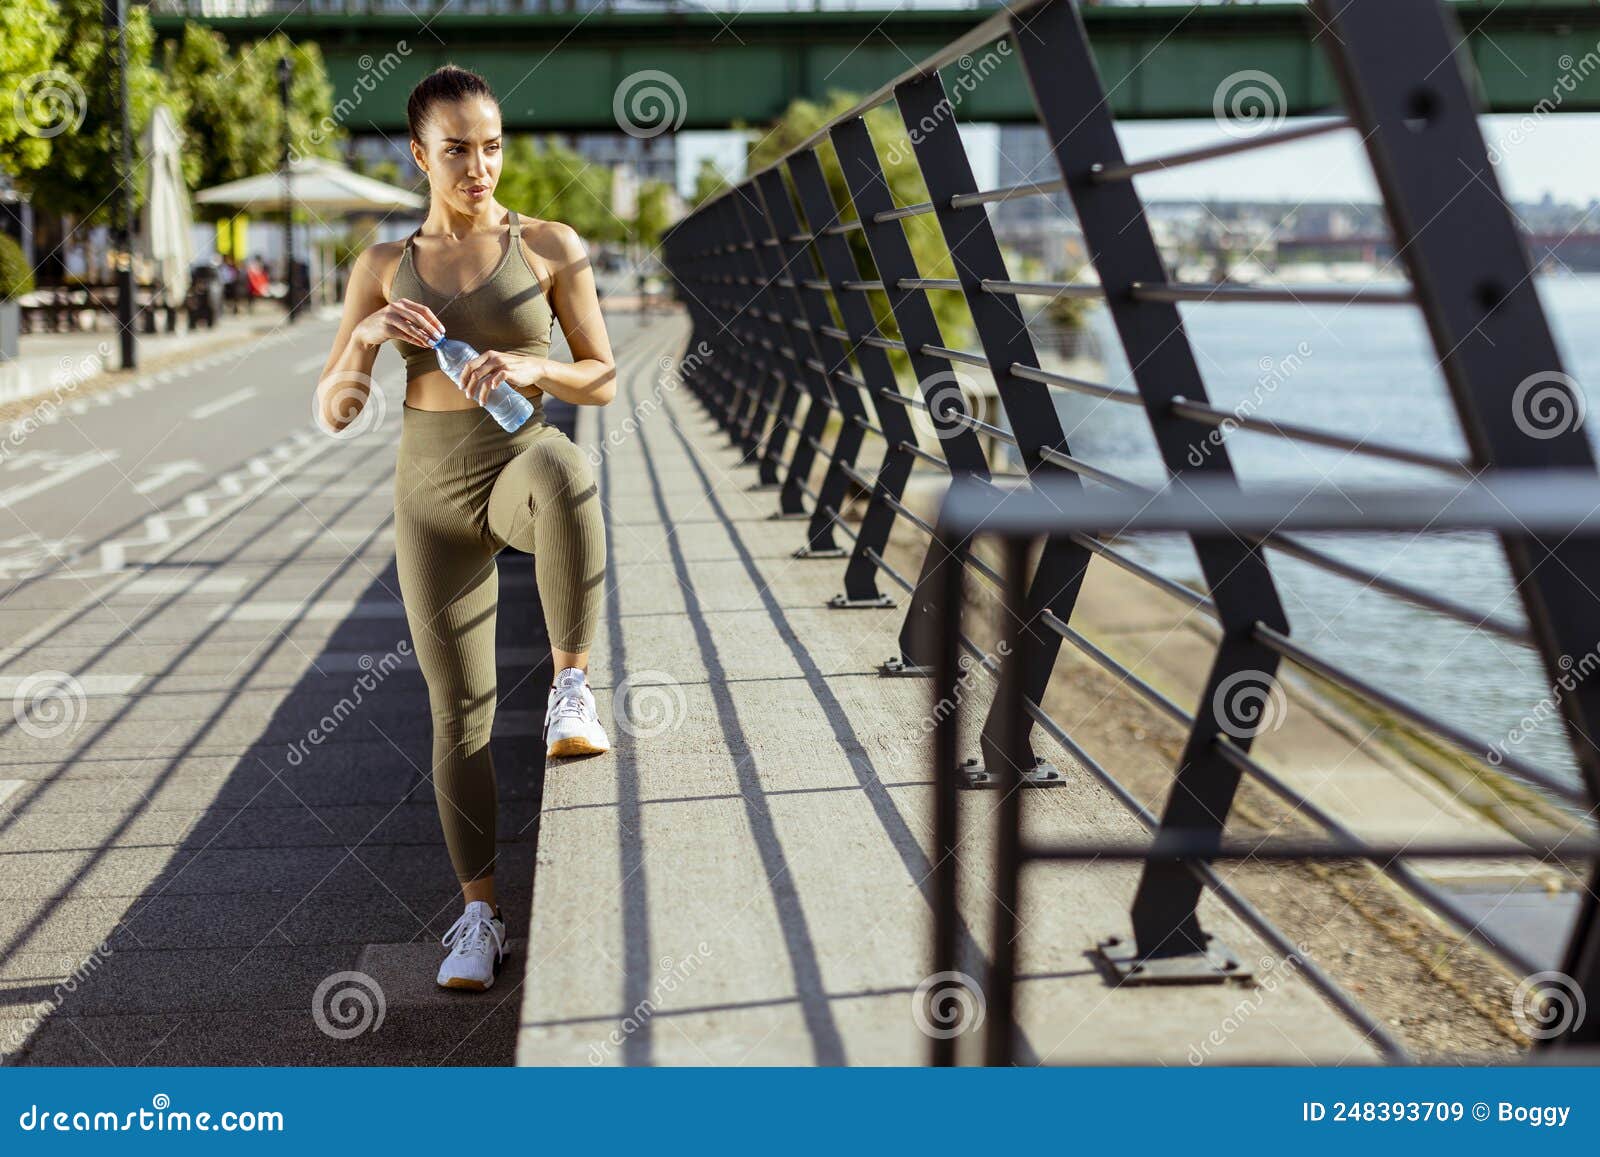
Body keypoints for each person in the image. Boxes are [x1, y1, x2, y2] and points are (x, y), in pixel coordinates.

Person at [313, 63, 615, 994]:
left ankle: (573, 688)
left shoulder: (552, 246)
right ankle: (479, 916)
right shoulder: (380, 264)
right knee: (459, 716)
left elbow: (602, 373)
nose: (478, 166)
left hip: (515, 464)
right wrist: (363, 342)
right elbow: (333, 408)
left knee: (567, 469)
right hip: (428, 492)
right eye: (457, 150)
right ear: (419, 155)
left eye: (490, 145)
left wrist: (536, 371)